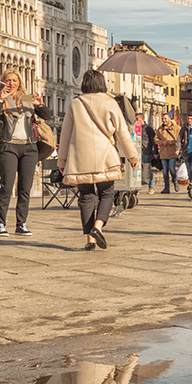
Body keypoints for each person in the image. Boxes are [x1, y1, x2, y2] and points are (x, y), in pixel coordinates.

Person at [58, 70, 141, 251]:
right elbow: (122, 133)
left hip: (80, 157)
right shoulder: (110, 103)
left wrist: (62, 160)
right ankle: (98, 227)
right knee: (107, 194)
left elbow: (65, 135)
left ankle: (90, 240)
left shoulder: (75, 104)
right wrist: (132, 156)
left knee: (86, 197)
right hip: (105, 156)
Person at [0, 71, 51, 236]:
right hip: (9, 146)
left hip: (29, 147)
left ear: (19, 82)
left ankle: (21, 223)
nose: (11, 83)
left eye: (14, 80)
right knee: (6, 186)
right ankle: (0, 223)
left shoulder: (27, 98)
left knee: (25, 188)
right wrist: (0, 100)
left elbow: (47, 116)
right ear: (2, 82)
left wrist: (40, 104)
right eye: (7, 80)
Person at [155, 115, 181, 194]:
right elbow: (155, 139)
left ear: (169, 119)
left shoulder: (177, 128)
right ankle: (166, 187)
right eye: (163, 119)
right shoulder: (160, 129)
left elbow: (180, 138)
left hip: (173, 152)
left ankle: (175, 181)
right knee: (165, 171)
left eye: (165, 118)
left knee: (172, 168)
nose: (164, 120)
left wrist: (173, 142)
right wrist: (161, 142)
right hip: (163, 152)